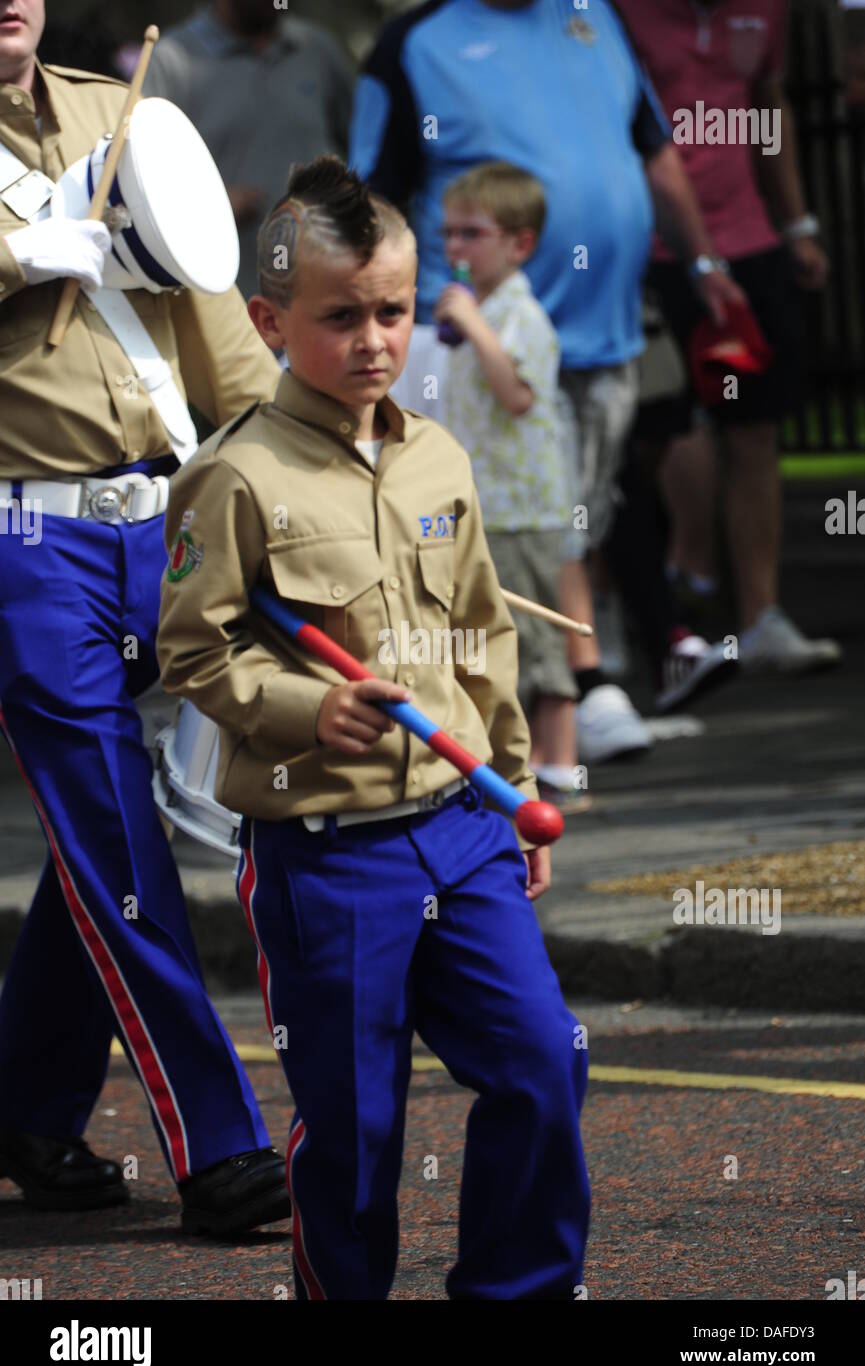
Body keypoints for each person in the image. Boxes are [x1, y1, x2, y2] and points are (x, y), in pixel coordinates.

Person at [158, 156, 591, 1300]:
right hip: (327, 854)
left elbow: (485, 635)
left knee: (543, 1063)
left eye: (392, 311)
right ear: (270, 320)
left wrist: (510, 789)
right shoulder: (234, 477)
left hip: (463, 830)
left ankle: (518, 1293)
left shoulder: (439, 456)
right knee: (356, 1130)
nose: (373, 340)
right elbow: (194, 650)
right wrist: (312, 705)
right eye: (339, 316)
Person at [0, 0, 291, 1235]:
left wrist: (291, 475)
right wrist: (23, 255)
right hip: (21, 531)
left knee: (95, 840)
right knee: (120, 828)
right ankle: (220, 1146)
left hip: (156, 519)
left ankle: (24, 1104)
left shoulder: (119, 111)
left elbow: (212, 323)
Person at [349, 0, 745, 761]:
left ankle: (572, 695)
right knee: (503, 532)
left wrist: (703, 262)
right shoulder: (414, 41)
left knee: (574, 519)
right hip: (473, 344)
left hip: (606, 331)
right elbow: (372, 196)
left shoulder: (593, 14)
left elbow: (652, 150)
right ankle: (553, 701)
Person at [616, 0, 840, 673]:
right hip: (652, 249)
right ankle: (654, 607)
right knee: (652, 430)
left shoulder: (764, 10)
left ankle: (759, 616)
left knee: (754, 426)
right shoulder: (614, 13)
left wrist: (795, 222)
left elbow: (766, 106)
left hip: (747, 245)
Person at [433, 161, 581, 806]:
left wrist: (474, 327)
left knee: (541, 641)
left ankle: (562, 764)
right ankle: (517, 763)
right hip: (486, 506)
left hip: (526, 509)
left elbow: (517, 395)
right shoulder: (487, 310)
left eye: (472, 234)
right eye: (449, 234)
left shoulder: (519, 314)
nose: (455, 248)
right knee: (496, 636)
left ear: (519, 243)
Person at [143, 0, 355, 298]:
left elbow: (362, 146)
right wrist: (207, 207)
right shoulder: (171, 61)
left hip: (321, 294)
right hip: (223, 301)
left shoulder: (315, 49)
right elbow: (140, 185)